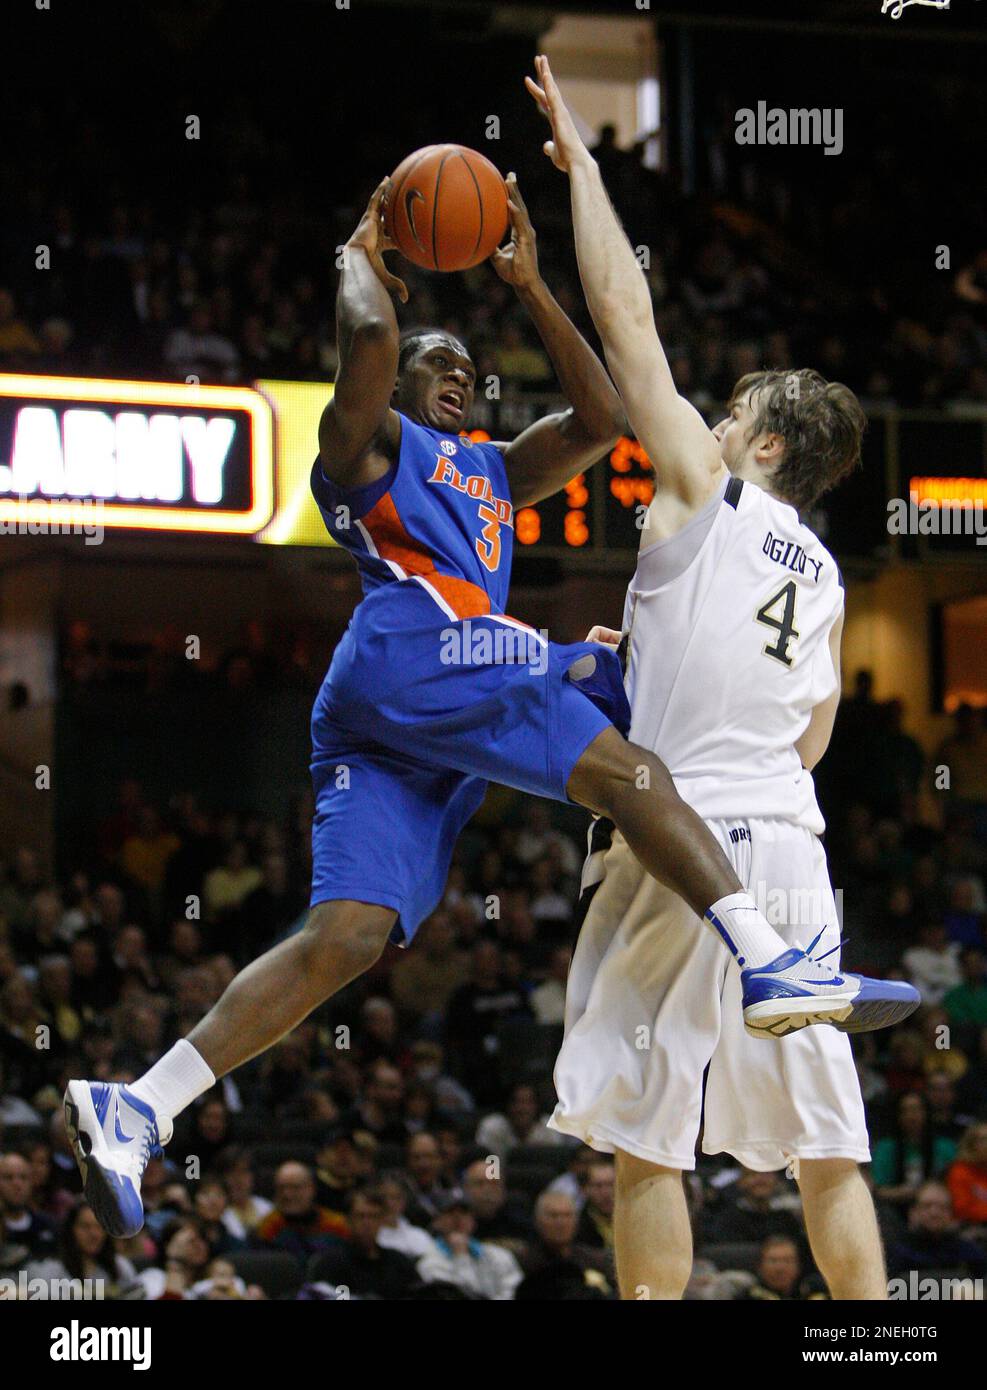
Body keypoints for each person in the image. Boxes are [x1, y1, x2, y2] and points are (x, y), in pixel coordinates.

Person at [67, 166, 910, 1241]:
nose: (457, 377)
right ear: (403, 383)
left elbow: (603, 417)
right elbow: (369, 348)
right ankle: (768, 951)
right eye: (439, 364)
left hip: (408, 720)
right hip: (419, 648)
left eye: (470, 370)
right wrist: (360, 259)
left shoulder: (496, 470)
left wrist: (527, 284)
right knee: (629, 767)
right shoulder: (368, 449)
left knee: (350, 935)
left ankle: (138, 1104)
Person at [525, 53, 919, 1302]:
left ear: (753, 440)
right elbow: (809, 742)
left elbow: (625, 321)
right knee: (826, 1145)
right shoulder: (831, 575)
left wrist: (584, 170)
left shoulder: (711, 485)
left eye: (724, 410)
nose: (699, 423)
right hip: (792, 855)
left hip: (679, 830)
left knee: (647, 1137)